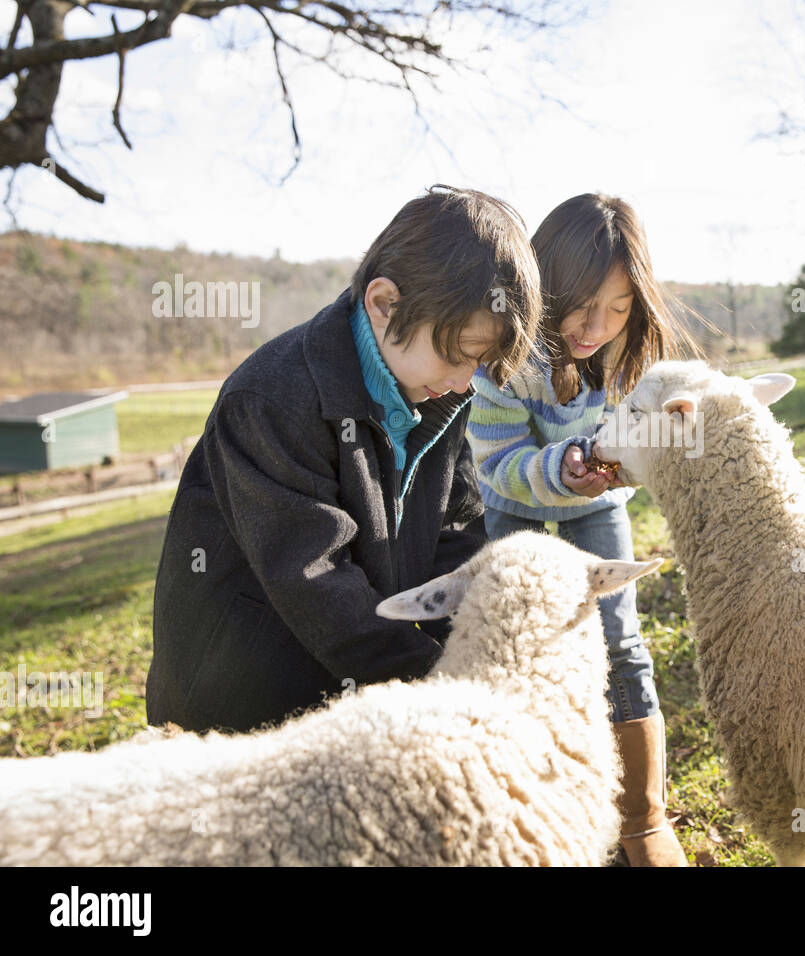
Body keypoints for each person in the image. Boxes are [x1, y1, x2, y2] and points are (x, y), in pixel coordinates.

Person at [147, 186, 541, 734]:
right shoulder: (272, 399)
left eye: (480, 362)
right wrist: (438, 685)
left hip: (360, 698)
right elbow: (316, 578)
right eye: (458, 353)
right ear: (384, 304)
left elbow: (455, 535)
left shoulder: (438, 390)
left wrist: (480, 651)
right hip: (244, 707)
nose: (463, 380)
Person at [467, 193, 706, 866]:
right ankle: (531, 799)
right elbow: (497, 462)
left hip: (595, 509)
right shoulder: (506, 357)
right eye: (583, 304)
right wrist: (559, 468)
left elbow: (638, 436)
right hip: (518, 506)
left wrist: (628, 462)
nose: (597, 326)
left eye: (620, 308)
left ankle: (642, 820)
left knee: (618, 639)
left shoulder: (631, 355)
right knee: (519, 644)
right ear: (547, 285)